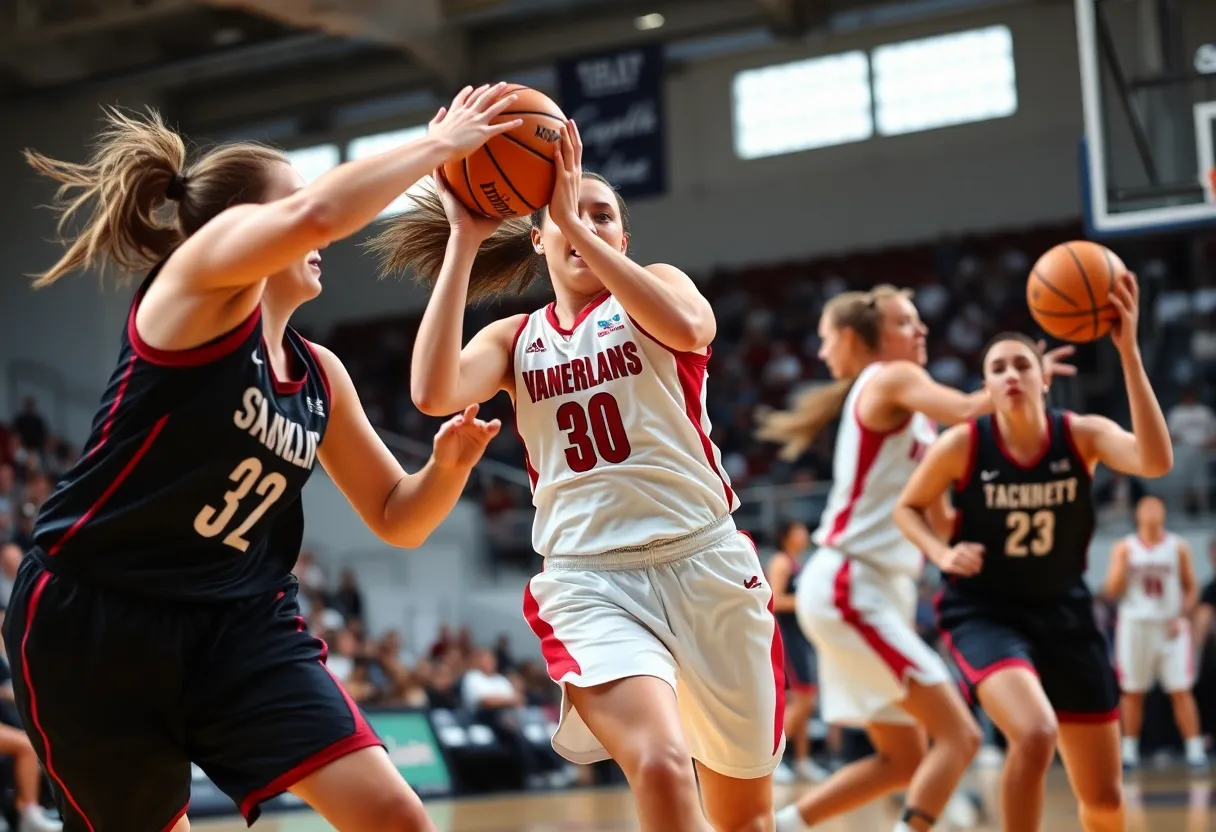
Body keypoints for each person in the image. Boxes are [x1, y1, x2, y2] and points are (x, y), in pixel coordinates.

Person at [6, 86, 518, 832]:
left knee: (394, 816)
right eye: (293, 202)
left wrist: (448, 468)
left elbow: (395, 517)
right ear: (242, 226)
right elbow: (319, 214)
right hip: (98, 616)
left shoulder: (321, 374)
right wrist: (441, 145)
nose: (315, 224)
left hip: (239, 620)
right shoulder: (197, 284)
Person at [371, 121, 781, 832]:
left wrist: (571, 221)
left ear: (622, 240)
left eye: (602, 215)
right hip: (591, 580)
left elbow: (692, 329)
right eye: (566, 213)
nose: (583, 221)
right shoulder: (515, 339)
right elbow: (433, 391)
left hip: (706, 562)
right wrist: (463, 239)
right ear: (536, 240)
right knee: (657, 761)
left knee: (744, 819)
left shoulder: (655, 290)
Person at [758, 285, 1072, 832]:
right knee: (960, 736)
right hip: (852, 584)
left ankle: (778, 826)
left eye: (921, 321)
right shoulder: (890, 377)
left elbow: (944, 520)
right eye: (907, 323)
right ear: (875, 338)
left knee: (902, 758)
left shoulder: (914, 415)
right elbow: (975, 407)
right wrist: (1025, 372)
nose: (921, 331)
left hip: (868, 588)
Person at [894, 273, 1171, 832]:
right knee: (1035, 731)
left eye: (1021, 364)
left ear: (1044, 378)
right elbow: (908, 507)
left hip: (1065, 613)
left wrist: (1129, 353)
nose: (1010, 375)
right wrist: (941, 555)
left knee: (1105, 800)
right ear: (987, 388)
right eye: (997, 369)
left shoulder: (1082, 435)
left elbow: (1154, 461)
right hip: (985, 613)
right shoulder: (965, 443)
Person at [1102, 495, 1207, 770]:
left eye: (1155, 507)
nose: (1150, 512)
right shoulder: (1124, 547)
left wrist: (1183, 616)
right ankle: (1129, 751)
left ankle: (1195, 749)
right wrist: (1122, 567)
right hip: (1135, 625)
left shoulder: (1178, 547)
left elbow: (1191, 587)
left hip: (1169, 626)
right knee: (1132, 691)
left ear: (1163, 513)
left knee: (1181, 689)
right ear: (1137, 515)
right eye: (1145, 507)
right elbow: (1111, 591)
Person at [766, 521, 829, 784]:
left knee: (801, 705)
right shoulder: (781, 563)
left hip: (802, 636)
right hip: (787, 638)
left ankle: (803, 762)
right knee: (804, 701)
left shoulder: (798, 562)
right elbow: (775, 599)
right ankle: (770, 761)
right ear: (787, 535)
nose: (804, 534)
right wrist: (808, 601)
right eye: (799, 530)